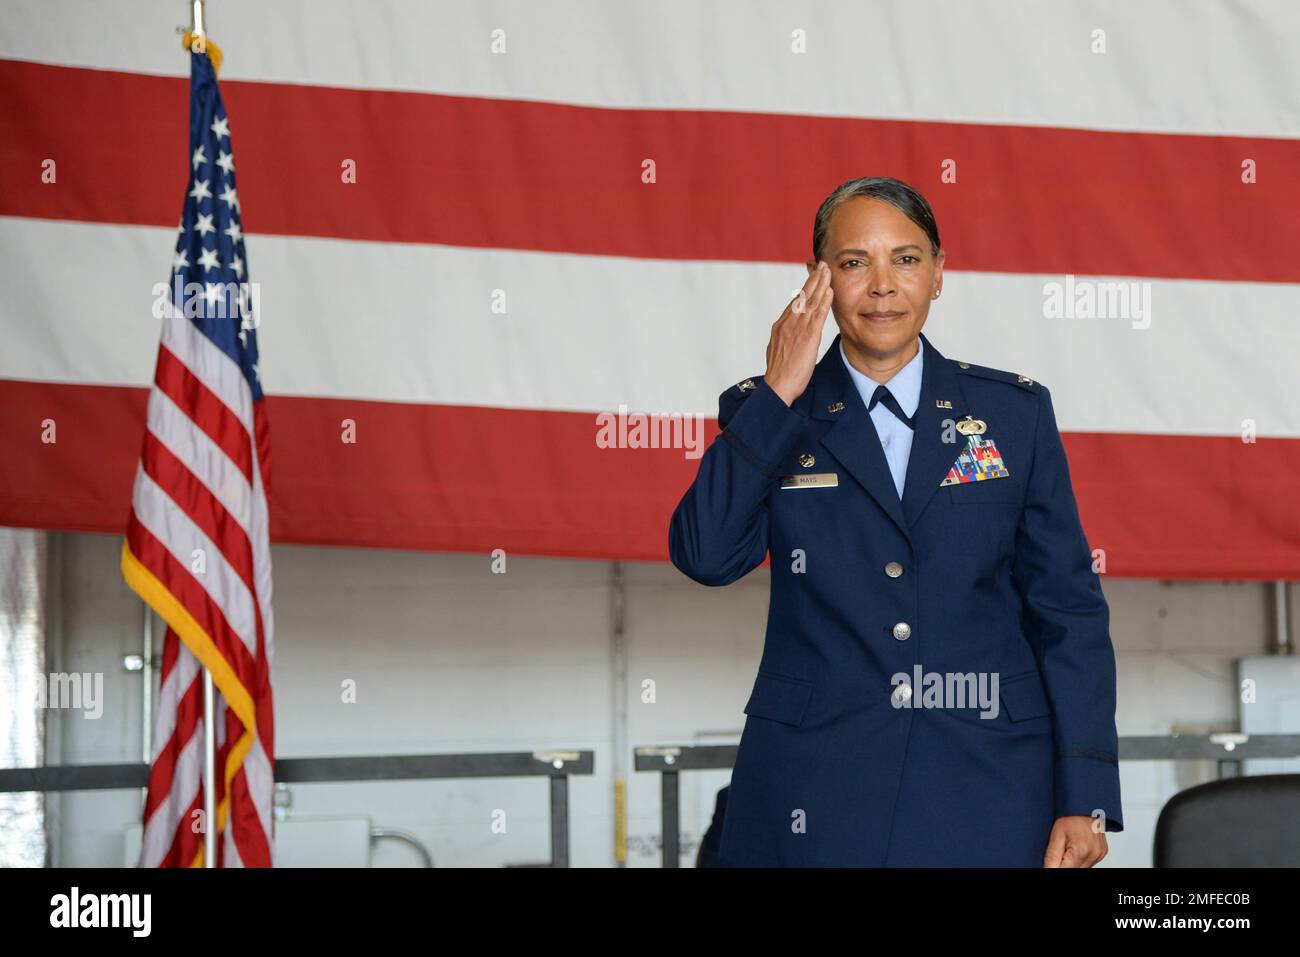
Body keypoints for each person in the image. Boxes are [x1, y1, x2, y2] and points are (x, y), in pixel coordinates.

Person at [668, 176, 1122, 867]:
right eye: (854, 262)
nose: (882, 285)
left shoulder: (1012, 415)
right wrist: (780, 391)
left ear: (939, 274)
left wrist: (1084, 792)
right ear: (818, 281)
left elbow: (1069, 611)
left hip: (990, 781)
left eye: (906, 259)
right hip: (815, 789)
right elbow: (705, 554)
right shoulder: (766, 409)